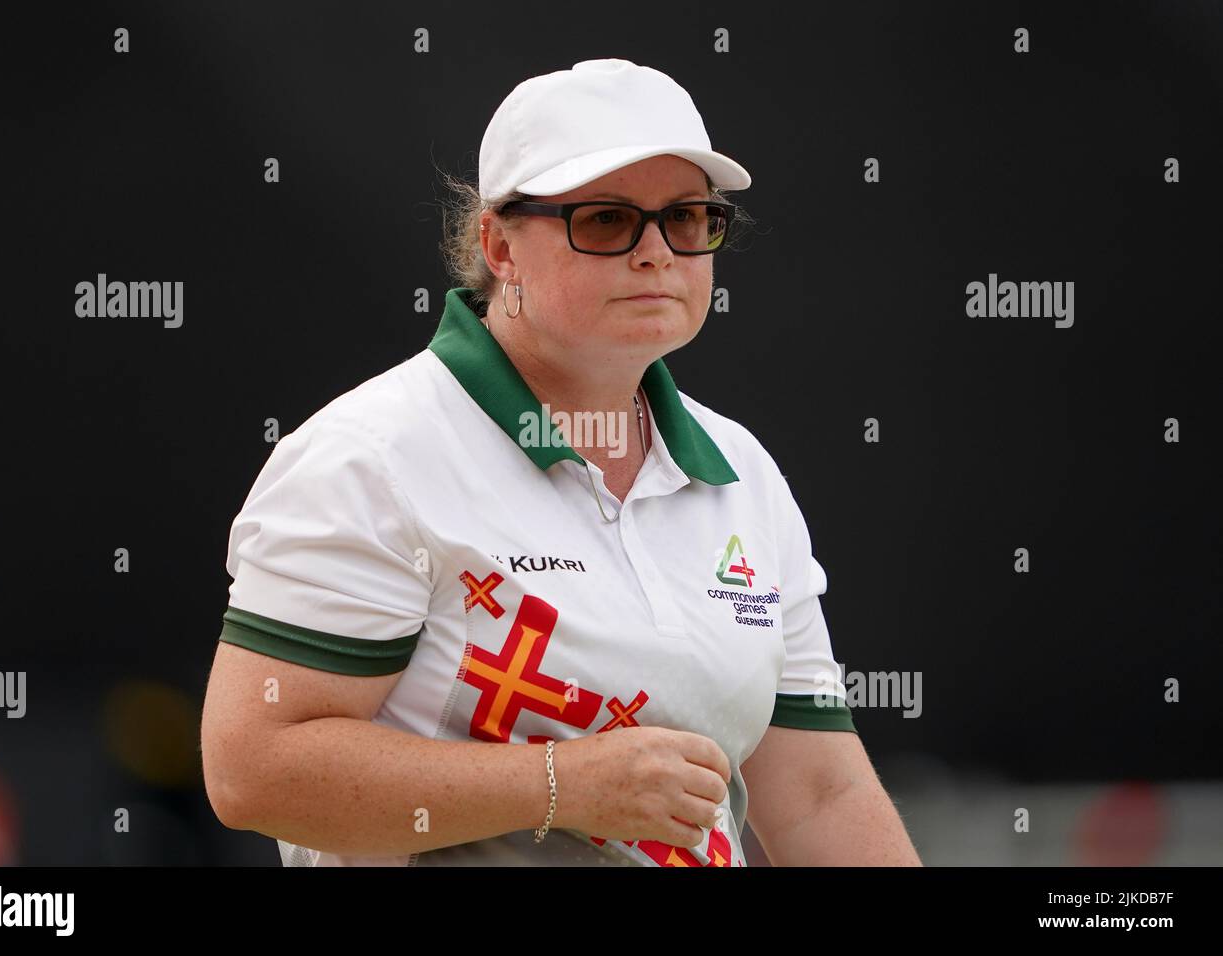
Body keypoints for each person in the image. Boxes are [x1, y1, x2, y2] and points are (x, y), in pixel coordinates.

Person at [200, 57, 921, 867]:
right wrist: (558, 784)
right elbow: (252, 772)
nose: (657, 253)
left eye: (687, 218)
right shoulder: (371, 457)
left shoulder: (741, 473)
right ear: (498, 245)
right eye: (607, 220)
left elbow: (822, 796)